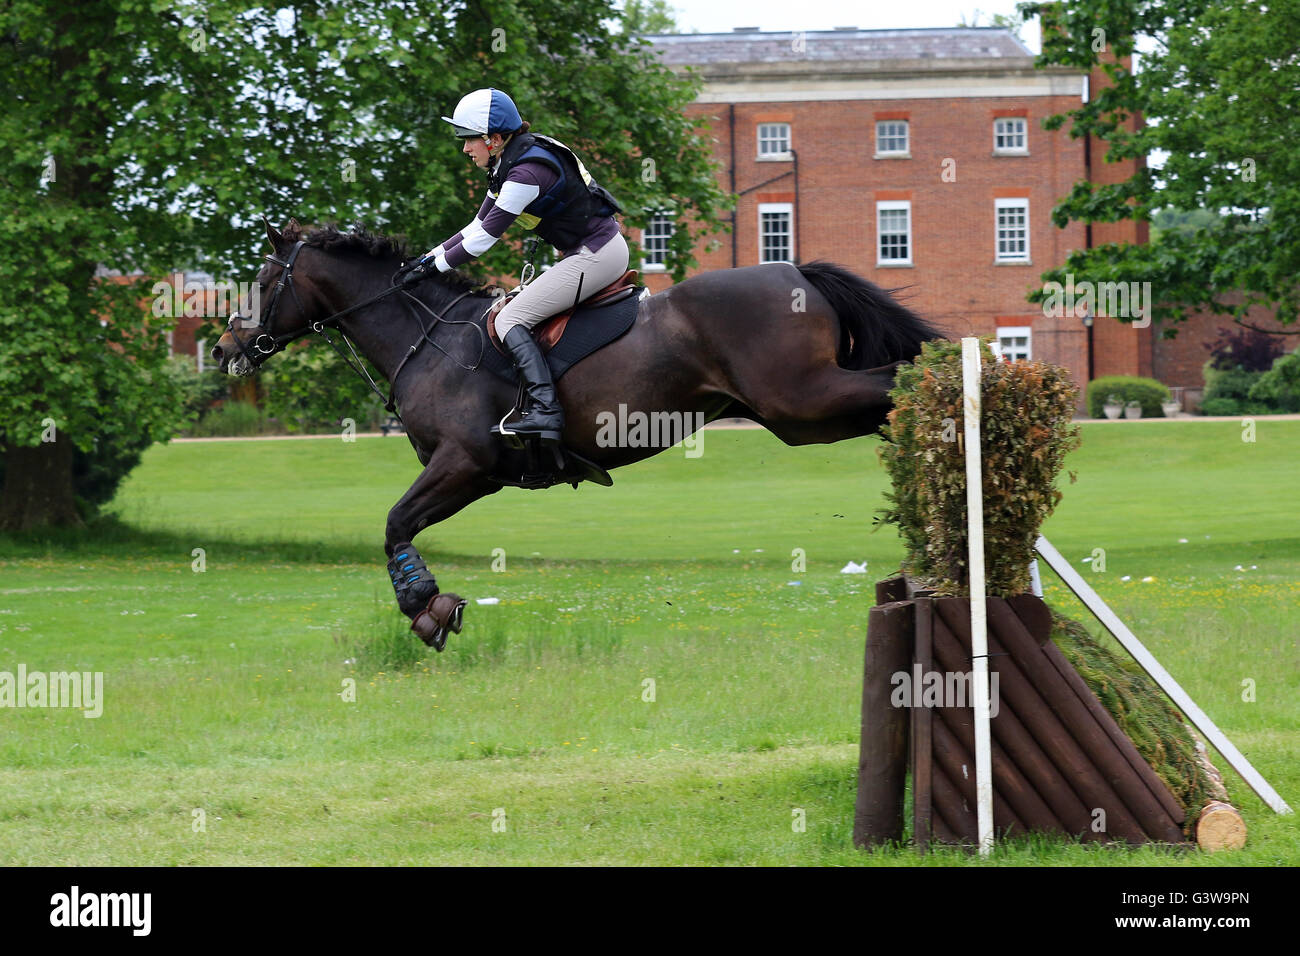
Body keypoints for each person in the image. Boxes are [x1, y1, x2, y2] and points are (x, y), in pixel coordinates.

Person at [414, 88, 629, 443]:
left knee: (509, 318)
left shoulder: (525, 174)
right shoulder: (508, 163)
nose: (465, 149)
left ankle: (546, 412)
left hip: (597, 254)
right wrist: (427, 259)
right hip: (588, 252)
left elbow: (483, 241)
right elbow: (475, 225)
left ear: (494, 139)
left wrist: (432, 269)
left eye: (470, 141)